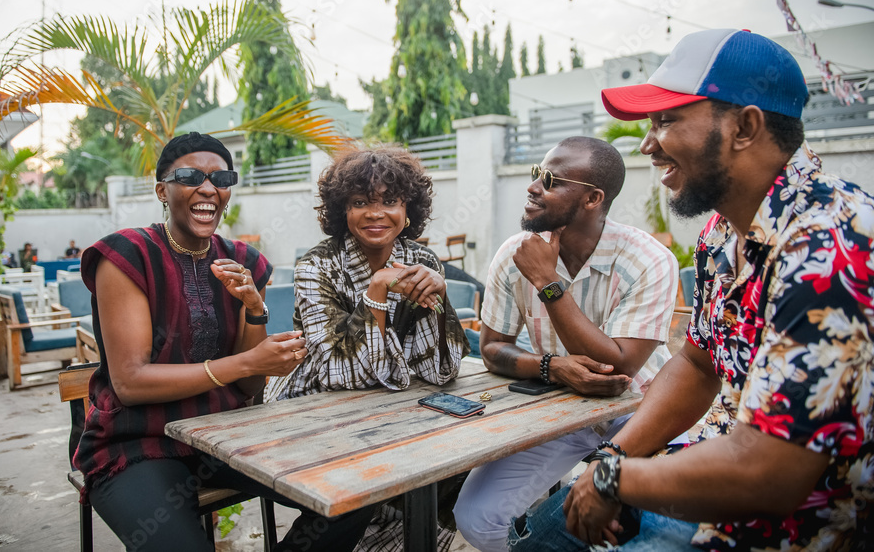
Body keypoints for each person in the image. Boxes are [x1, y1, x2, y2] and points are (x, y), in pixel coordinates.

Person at [510, 29, 873, 552]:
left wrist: (615, 482)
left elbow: (771, 472)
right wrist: (610, 460)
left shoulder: (831, 245)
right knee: (543, 537)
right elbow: (701, 362)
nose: (647, 144)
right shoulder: (723, 232)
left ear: (744, 127)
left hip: (797, 525)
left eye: (666, 121)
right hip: (704, 462)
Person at [74, 132, 375, 552]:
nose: (208, 188)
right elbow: (130, 382)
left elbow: (249, 388)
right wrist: (248, 364)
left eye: (220, 178)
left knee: (353, 496)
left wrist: (254, 308)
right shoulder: (129, 255)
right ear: (162, 189)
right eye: (191, 175)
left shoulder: (245, 262)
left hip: (229, 437)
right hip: (140, 444)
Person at [453, 136, 679, 552]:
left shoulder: (649, 259)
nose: (533, 187)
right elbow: (490, 348)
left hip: (639, 412)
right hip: (558, 410)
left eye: (551, 180)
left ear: (593, 198)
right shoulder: (514, 254)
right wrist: (551, 367)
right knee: (476, 517)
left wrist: (547, 283)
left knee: (637, 532)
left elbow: (620, 365)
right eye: (537, 174)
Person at [264, 145, 468, 551]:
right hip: (312, 405)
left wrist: (439, 295)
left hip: (393, 400)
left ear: (409, 208)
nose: (376, 213)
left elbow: (441, 368)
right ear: (343, 211)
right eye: (361, 203)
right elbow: (342, 372)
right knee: (364, 483)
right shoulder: (317, 266)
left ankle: (396, 536)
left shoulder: (422, 260)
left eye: (389, 201)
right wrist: (376, 291)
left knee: (461, 456)